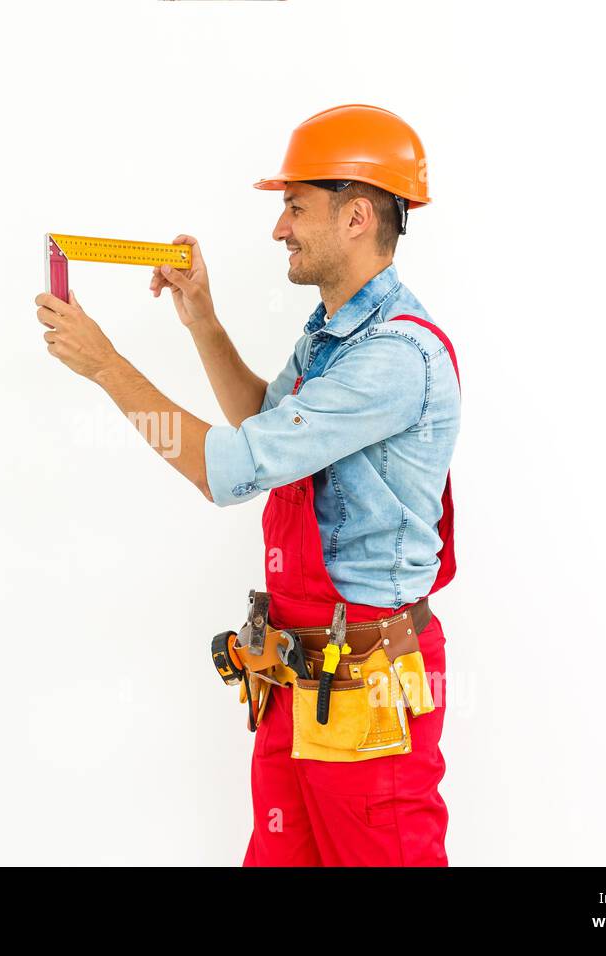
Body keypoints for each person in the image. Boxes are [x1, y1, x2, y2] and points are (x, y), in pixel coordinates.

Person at [34, 104, 459, 866]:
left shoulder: (394, 357)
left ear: (356, 215)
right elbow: (266, 426)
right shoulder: (333, 335)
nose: (279, 229)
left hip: (369, 698)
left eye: (295, 206)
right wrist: (201, 318)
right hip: (303, 681)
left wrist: (106, 366)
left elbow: (225, 469)